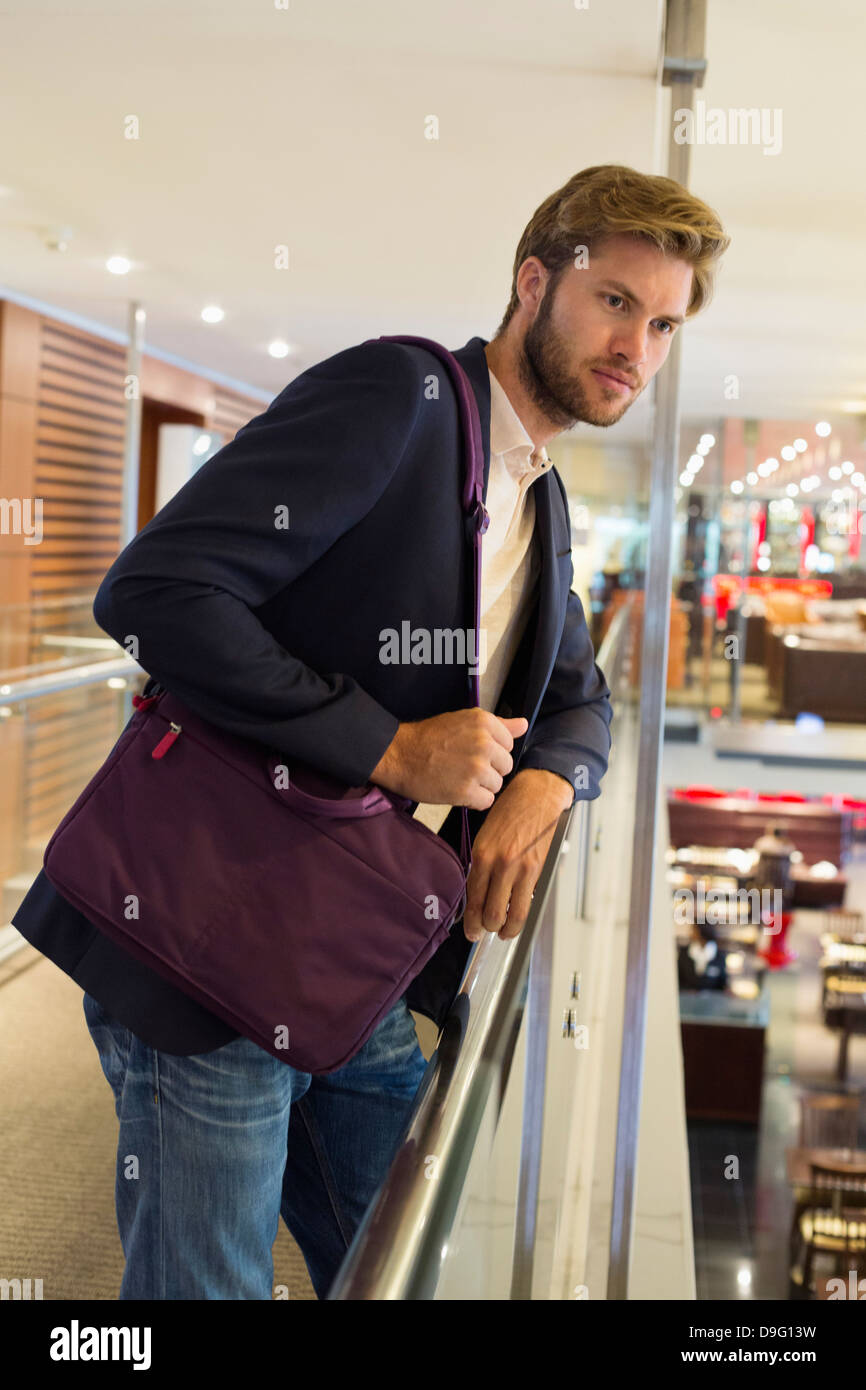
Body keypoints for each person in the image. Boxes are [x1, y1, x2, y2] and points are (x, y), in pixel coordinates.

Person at [12, 164, 729, 1299]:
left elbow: (580, 702)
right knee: (208, 1283)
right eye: (612, 302)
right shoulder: (402, 400)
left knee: (406, 1256)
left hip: (351, 960)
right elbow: (154, 591)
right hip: (205, 942)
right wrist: (391, 749)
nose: (634, 346)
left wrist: (546, 785)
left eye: (662, 324)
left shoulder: (537, 499)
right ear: (532, 282)